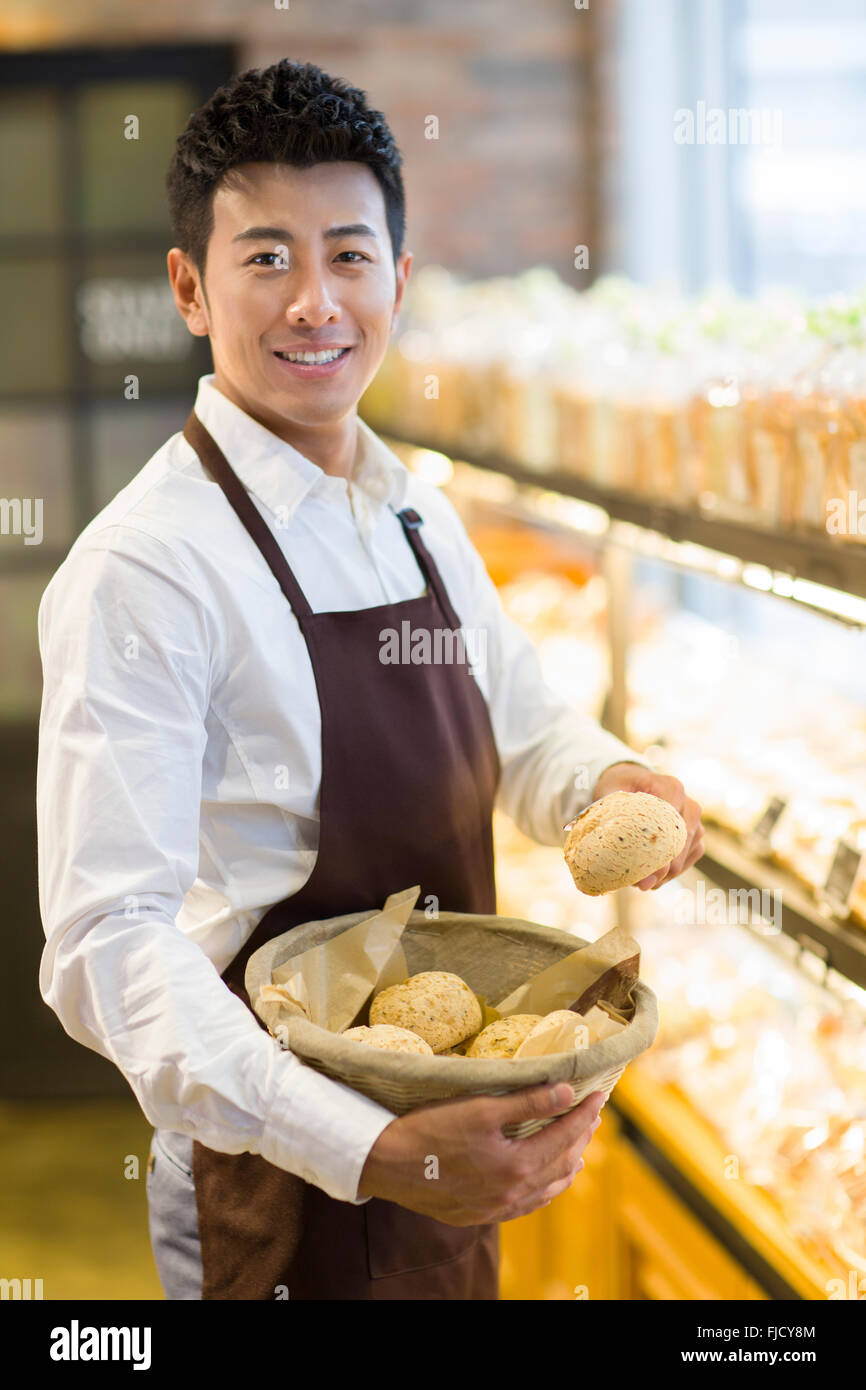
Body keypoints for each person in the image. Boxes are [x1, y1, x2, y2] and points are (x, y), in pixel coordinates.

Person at [36, 58, 704, 1301]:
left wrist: (598, 780)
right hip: (277, 1176)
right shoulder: (147, 568)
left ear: (396, 281)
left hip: (459, 1142)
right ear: (190, 286)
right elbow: (102, 946)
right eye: (265, 258)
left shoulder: (411, 512)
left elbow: (519, 724)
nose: (313, 302)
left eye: (347, 255)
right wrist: (369, 1147)